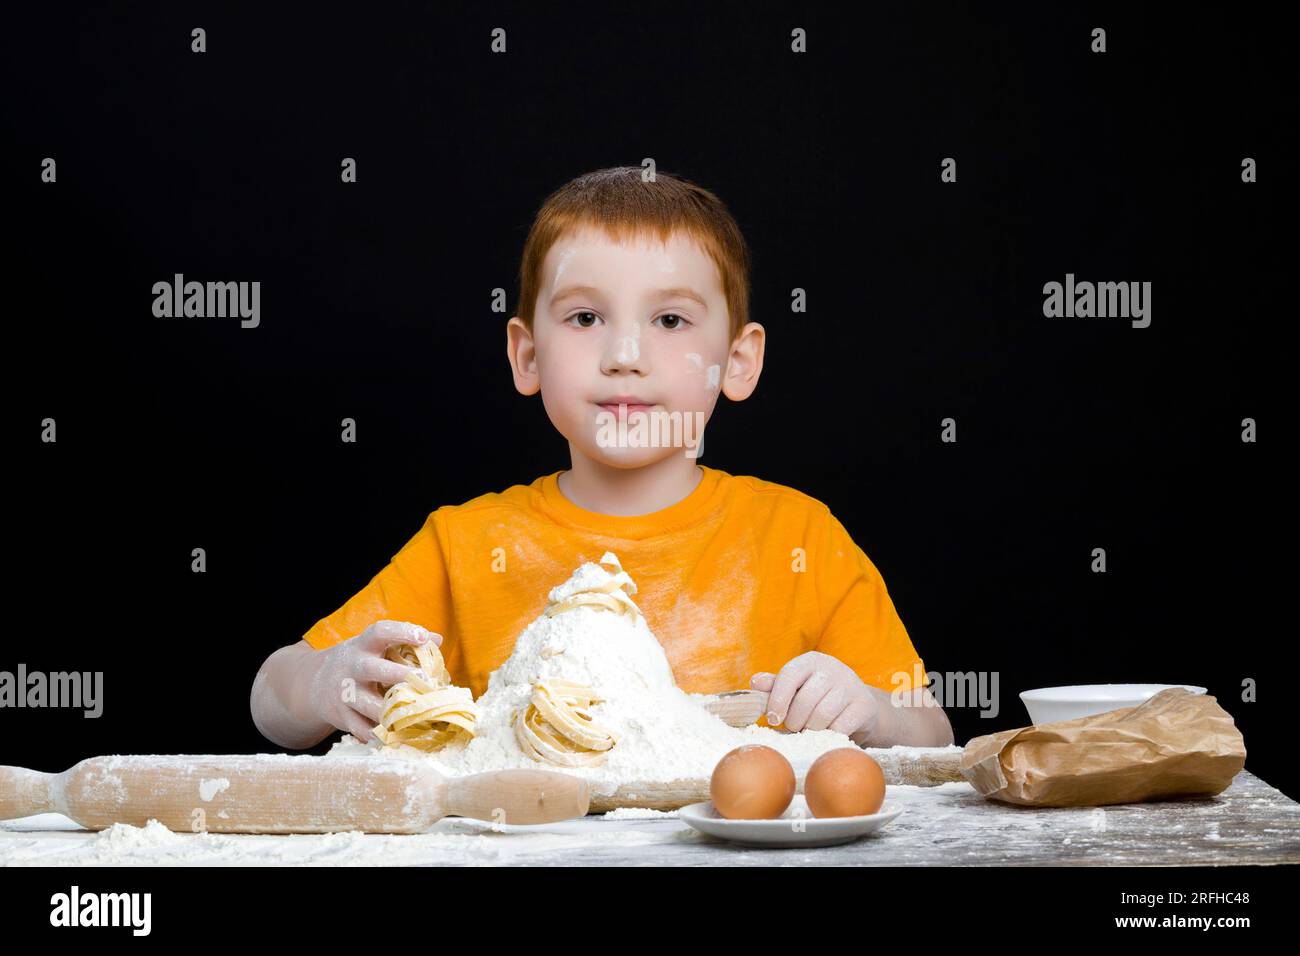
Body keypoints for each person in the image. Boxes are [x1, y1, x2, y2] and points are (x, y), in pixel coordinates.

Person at [250, 166, 954, 752]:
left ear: (738, 362)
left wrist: (872, 712)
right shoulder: (466, 545)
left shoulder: (800, 539)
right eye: (586, 319)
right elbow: (271, 697)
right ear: (527, 355)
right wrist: (325, 683)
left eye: (670, 321)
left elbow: (932, 730)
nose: (624, 358)